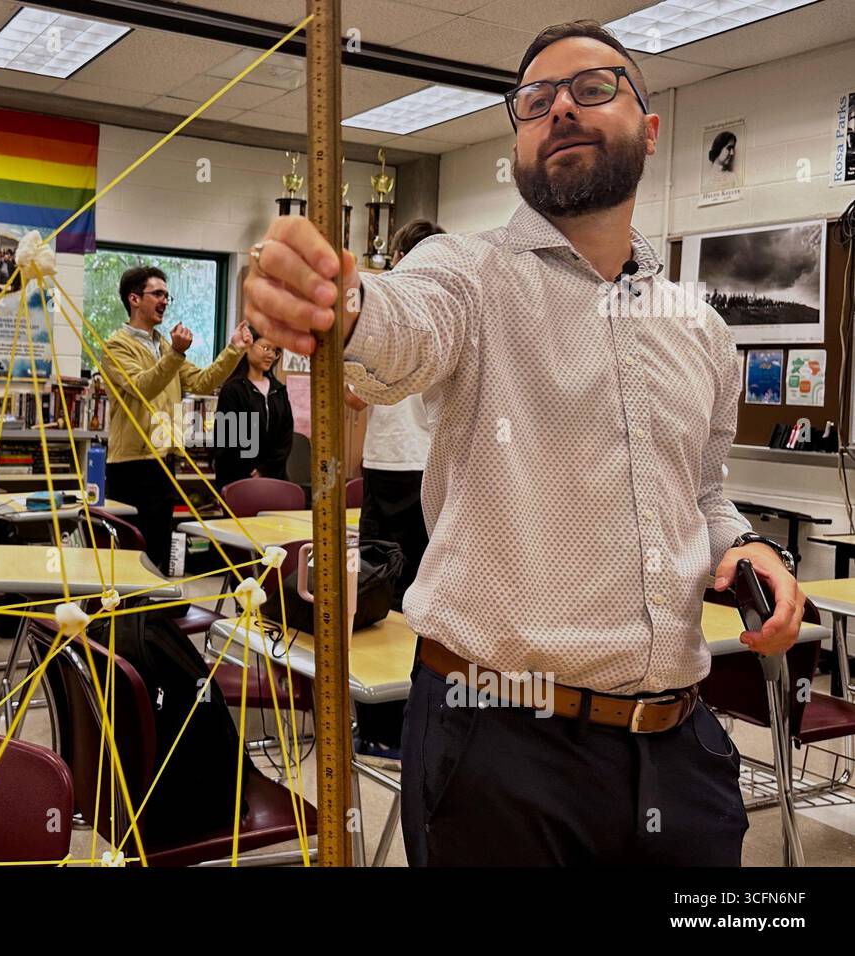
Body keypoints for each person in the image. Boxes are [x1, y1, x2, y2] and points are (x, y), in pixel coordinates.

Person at [241, 20, 807, 866]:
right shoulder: (465, 275)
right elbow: (403, 323)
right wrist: (342, 305)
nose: (561, 112)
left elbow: (705, 493)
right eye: (535, 101)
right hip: (500, 747)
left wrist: (750, 545)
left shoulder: (700, 329)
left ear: (651, 132)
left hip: (678, 747)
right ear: (517, 138)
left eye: (592, 89)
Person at [343, 219, 444, 766]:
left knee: (383, 598)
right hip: (416, 468)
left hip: (398, 467)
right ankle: (400, 722)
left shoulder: (397, 305)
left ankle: (382, 725)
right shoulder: (442, 310)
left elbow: (360, 394)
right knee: (411, 598)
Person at [101, 265, 251, 571]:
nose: (165, 300)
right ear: (134, 299)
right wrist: (175, 354)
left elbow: (202, 382)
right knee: (132, 552)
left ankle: (154, 617)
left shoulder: (165, 347)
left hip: (164, 458)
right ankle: (128, 617)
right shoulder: (116, 346)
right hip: (132, 463)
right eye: (157, 293)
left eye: (168, 295)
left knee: (158, 546)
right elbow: (143, 387)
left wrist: (234, 350)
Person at [213, 333, 293, 490]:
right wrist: (251, 471)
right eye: (265, 348)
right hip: (239, 478)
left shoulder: (279, 390)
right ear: (248, 347)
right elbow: (227, 439)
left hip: (274, 477)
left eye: (275, 351)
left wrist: (265, 469)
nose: (271, 354)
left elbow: (285, 436)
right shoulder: (233, 390)